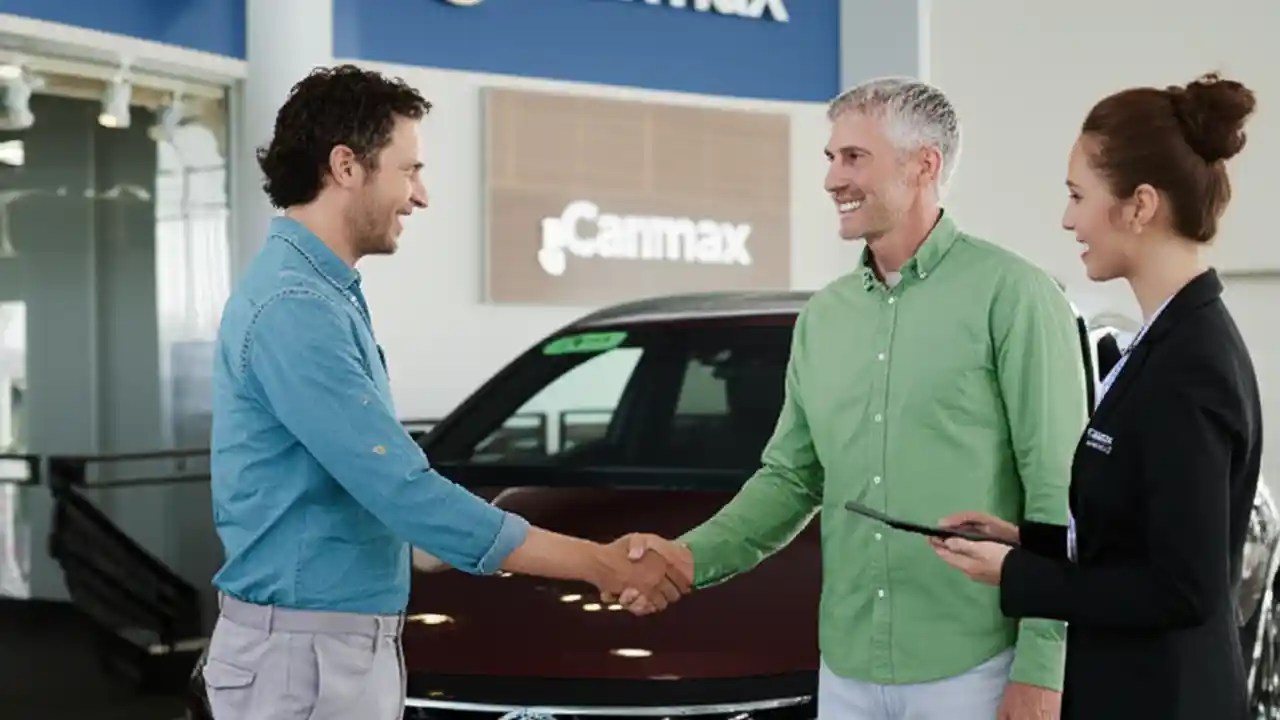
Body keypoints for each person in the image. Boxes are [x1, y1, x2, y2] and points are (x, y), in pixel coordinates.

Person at [202, 65, 687, 719]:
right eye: (409, 170)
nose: (419, 195)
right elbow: (404, 493)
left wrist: (486, 552)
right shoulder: (297, 309)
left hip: (323, 651)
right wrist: (597, 564)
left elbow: (391, 513)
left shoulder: (322, 296)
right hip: (302, 661)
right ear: (347, 165)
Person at [609, 77, 1088, 720]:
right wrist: (689, 558)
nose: (833, 179)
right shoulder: (824, 319)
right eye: (830, 158)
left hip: (976, 668)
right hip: (846, 669)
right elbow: (789, 480)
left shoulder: (1017, 297)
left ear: (925, 165)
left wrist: (1041, 670)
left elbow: (1058, 494)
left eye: (854, 157)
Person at [930, 72, 1264, 720]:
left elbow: (1180, 588)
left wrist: (1019, 576)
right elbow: (1142, 538)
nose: (1067, 219)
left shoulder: (1190, 366)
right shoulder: (1167, 343)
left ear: (1140, 205)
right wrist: (1030, 541)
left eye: (1078, 196)